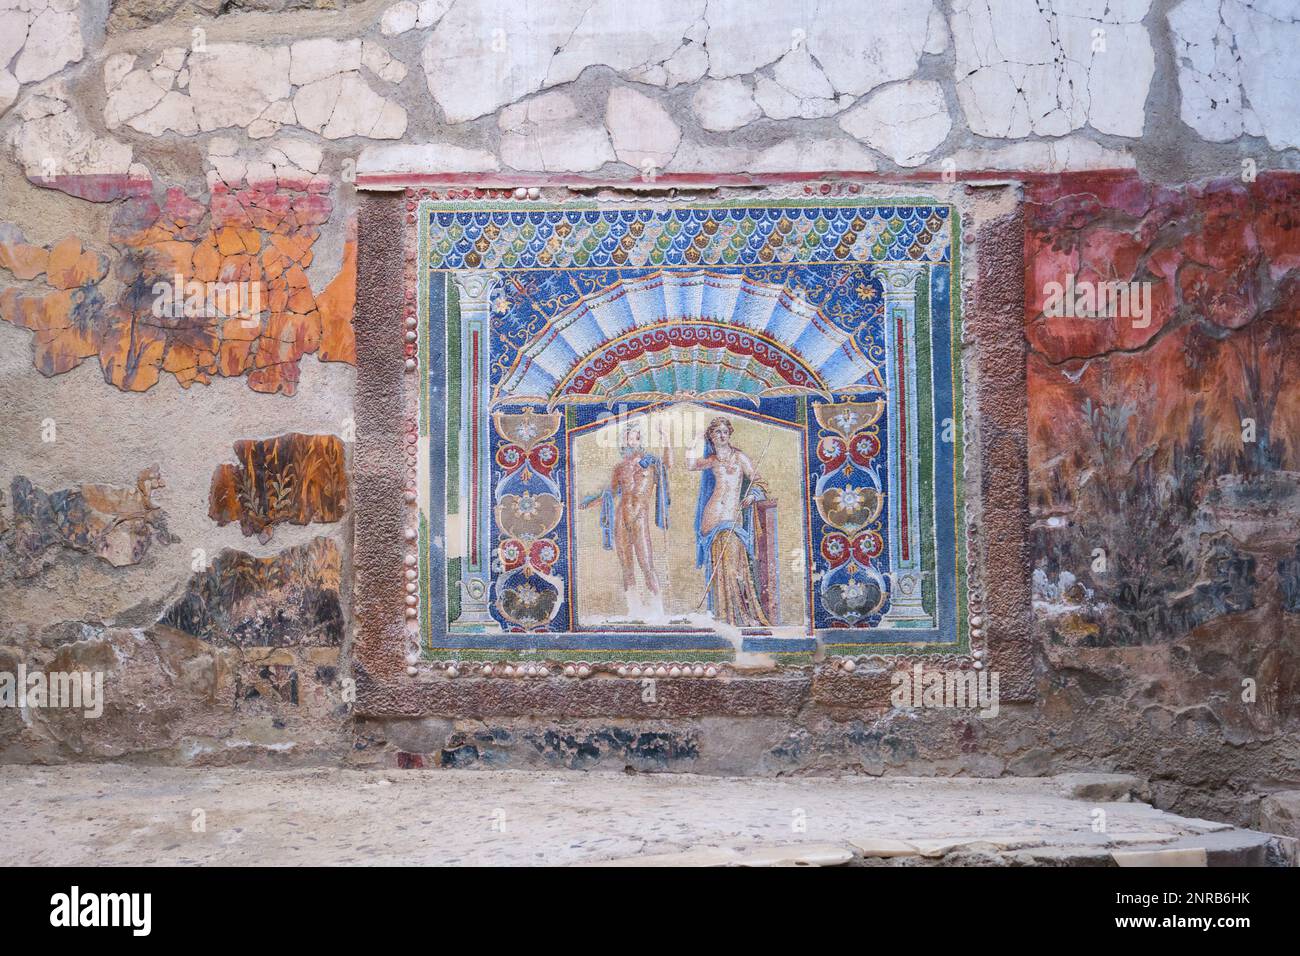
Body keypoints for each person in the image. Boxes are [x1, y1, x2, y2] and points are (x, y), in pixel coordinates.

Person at [689, 417, 771, 626]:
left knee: (734, 568)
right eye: (717, 432)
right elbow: (690, 464)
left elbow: (759, 481)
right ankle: (725, 616)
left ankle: (740, 615)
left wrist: (752, 495)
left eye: (725, 431)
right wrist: (695, 439)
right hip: (712, 517)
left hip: (732, 517)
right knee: (720, 570)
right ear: (711, 437)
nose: (722, 435)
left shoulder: (740, 458)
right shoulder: (713, 461)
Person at [580, 421, 669, 596]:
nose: (632, 440)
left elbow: (668, 464)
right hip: (621, 516)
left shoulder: (651, 463)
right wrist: (588, 504)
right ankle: (633, 608)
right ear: (625, 441)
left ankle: (657, 609)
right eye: (629, 436)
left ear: (640, 439)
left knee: (646, 564)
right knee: (627, 567)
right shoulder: (620, 468)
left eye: (635, 436)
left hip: (639, 516)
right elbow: (610, 494)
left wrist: (666, 438)